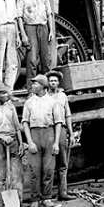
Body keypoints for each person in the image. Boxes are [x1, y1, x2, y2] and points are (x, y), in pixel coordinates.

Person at [22, 74, 63, 207]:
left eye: (35, 84)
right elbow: (25, 122)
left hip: (49, 134)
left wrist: (56, 142)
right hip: (34, 135)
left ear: (43, 86)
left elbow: (58, 122)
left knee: (48, 169)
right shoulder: (29, 103)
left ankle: (46, 198)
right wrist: (30, 142)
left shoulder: (52, 102)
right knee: (34, 170)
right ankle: (35, 200)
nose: (32, 86)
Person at [17, 0, 53, 80]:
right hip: (30, 27)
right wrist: (23, 34)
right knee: (32, 59)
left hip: (43, 27)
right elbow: (19, 16)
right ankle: (31, 87)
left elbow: (49, 13)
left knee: (45, 59)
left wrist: (51, 31)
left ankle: (47, 85)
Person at [46, 69, 73, 200]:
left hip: (62, 130)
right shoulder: (44, 97)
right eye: (50, 81)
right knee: (49, 163)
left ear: (58, 82)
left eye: (55, 81)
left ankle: (63, 192)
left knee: (63, 162)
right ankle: (47, 194)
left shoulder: (63, 96)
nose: (53, 83)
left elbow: (67, 114)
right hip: (49, 130)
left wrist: (71, 133)